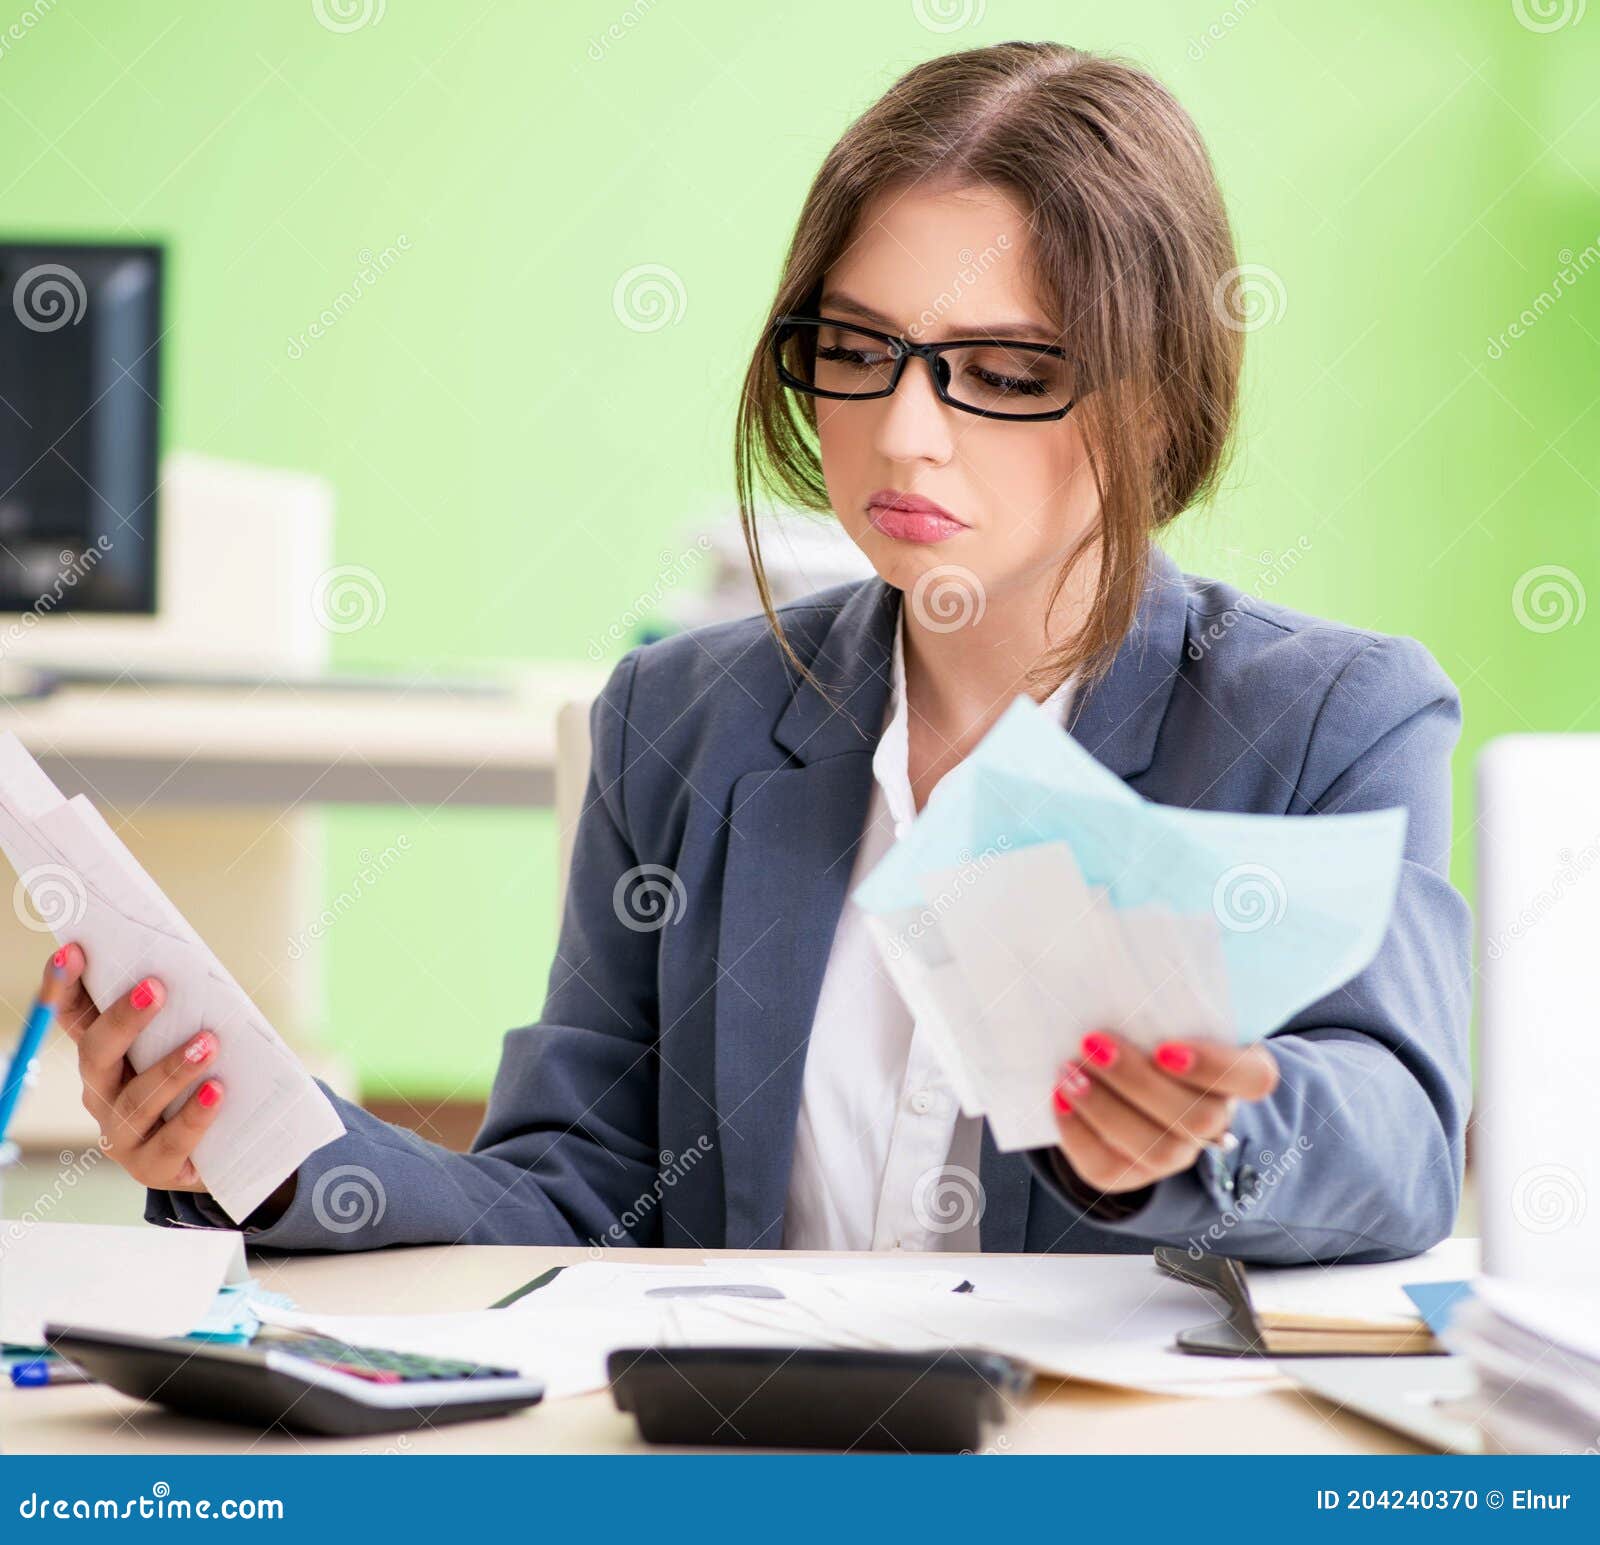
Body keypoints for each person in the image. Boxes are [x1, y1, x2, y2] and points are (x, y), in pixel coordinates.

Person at [40, 42, 1469, 1263]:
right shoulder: (682, 719)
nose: (905, 431)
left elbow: (1400, 1146)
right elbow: (571, 1198)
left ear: (1155, 394)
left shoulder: (1328, 714)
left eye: (1005, 371)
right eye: (856, 349)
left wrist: (1218, 1122)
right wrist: (274, 1145)